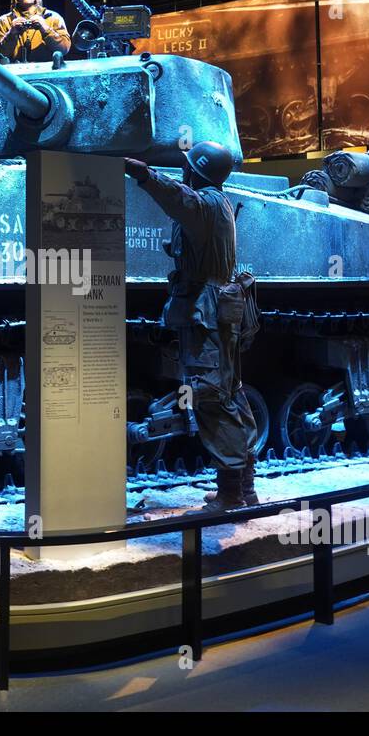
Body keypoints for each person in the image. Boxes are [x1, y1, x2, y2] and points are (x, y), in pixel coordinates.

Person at [124, 141, 259, 510]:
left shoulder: (206, 204)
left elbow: (181, 200)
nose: (183, 171)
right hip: (216, 313)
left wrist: (145, 175)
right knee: (229, 392)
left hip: (208, 317)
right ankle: (244, 487)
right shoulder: (218, 201)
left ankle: (232, 494)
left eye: (188, 168)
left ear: (196, 171)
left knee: (212, 397)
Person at [0, 0, 72, 63]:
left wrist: (46, 29)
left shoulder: (53, 18)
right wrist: (11, 33)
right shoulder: (4, 21)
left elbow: (64, 49)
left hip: (45, 72)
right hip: (14, 73)